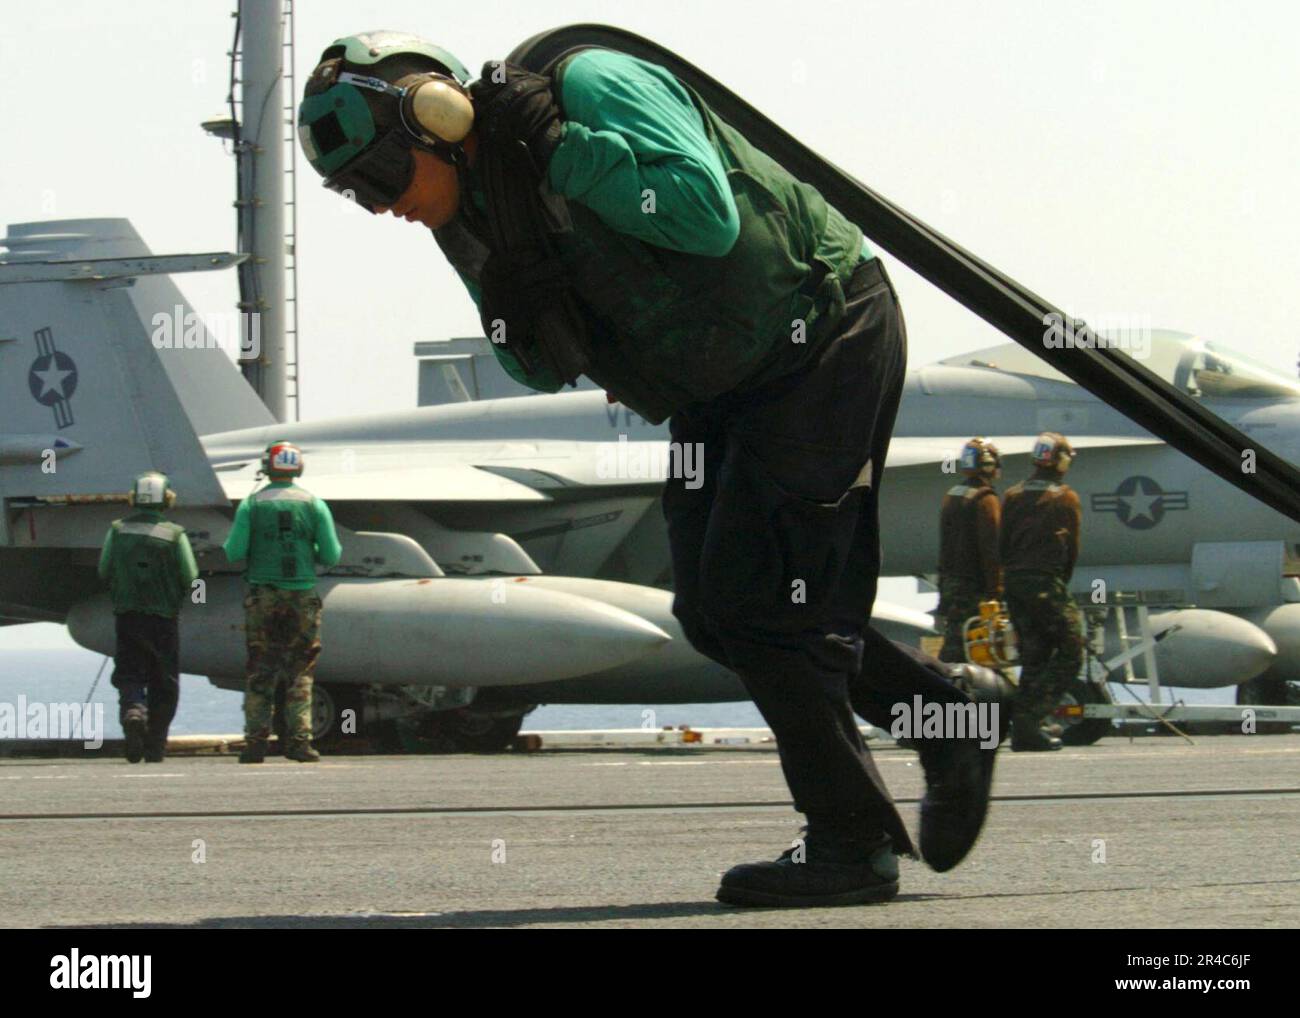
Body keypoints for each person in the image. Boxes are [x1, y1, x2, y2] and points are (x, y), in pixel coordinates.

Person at [297, 30, 997, 906]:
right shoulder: (470, 212)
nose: (381, 206)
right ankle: (947, 717)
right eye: (357, 194)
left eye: (381, 179)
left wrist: (560, 149)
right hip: (713, 383)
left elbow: (704, 215)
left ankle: (852, 845)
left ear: (434, 119)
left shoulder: (592, 86)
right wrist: (521, 301)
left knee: (767, 608)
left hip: (817, 336)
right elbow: (537, 365)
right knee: (711, 612)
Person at [223, 441, 342, 764]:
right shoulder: (314, 504)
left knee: (261, 671)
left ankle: (256, 743)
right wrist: (306, 555)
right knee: (300, 671)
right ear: (297, 467)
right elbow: (332, 554)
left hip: (263, 596)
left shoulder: (251, 505)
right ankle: (300, 743)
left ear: (267, 467)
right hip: (302, 596)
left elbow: (233, 551)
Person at [97, 472, 197, 763]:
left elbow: (104, 570)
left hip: (127, 616)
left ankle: (133, 710)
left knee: (129, 673)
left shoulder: (117, 530)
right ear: (167, 499)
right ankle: (155, 745)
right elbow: (191, 575)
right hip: (164, 618)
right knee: (164, 682)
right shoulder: (175, 534)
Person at [1000, 432, 1084, 751]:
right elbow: (1071, 549)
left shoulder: (1012, 495)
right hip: (1045, 582)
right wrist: (1058, 584)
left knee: (1035, 654)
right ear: (1060, 460)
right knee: (1071, 650)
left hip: (1015, 583)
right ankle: (1029, 717)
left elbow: (1002, 544)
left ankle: (1026, 732)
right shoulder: (1064, 497)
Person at [937, 438, 1003, 663]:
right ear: (987, 465)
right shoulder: (985, 500)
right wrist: (996, 591)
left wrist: (942, 587)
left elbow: (945, 546)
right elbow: (991, 550)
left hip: (951, 585)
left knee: (954, 646)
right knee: (976, 651)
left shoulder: (952, 495)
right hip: (973, 589)